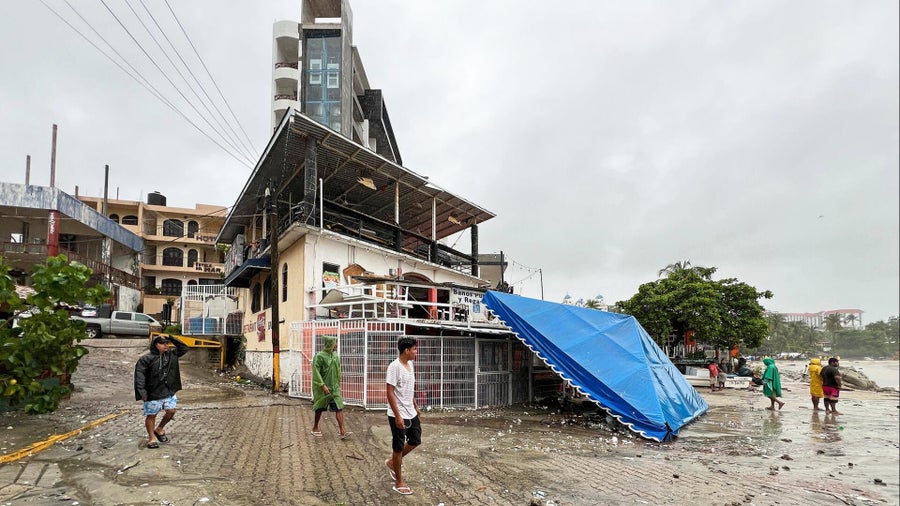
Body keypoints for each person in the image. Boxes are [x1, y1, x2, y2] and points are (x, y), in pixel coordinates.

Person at [134, 334, 189, 449]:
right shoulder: (145, 359)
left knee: (171, 411)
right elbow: (140, 376)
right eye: (162, 343)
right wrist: (142, 392)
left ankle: (159, 429)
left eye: (167, 343)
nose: (166, 345)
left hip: (168, 390)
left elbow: (184, 348)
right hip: (152, 392)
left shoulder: (171, 354)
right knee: (151, 415)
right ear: (155, 345)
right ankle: (151, 438)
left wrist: (171, 337)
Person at [384, 337, 420, 495]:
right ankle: (398, 482)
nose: (415, 352)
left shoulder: (410, 365)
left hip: (410, 411)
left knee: (415, 440)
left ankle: (392, 463)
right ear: (406, 350)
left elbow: (408, 388)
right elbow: (390, 392)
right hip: (397, 413)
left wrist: (415, 405)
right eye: (414, 349)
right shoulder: (394, 367)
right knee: (398, 447)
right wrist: (398, 416)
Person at [310, 335, 351, 439]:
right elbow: (316, 372)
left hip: (334, 387)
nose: (336, 345)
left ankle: (342, 431)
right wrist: (322, 385)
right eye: (334, 343)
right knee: (320, 408)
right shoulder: (319, 357)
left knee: (339, 407)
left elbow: (338, 370)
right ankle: (315, 427)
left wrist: (338, 383)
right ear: (329, 344)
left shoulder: (335, 356)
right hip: (322, 388)